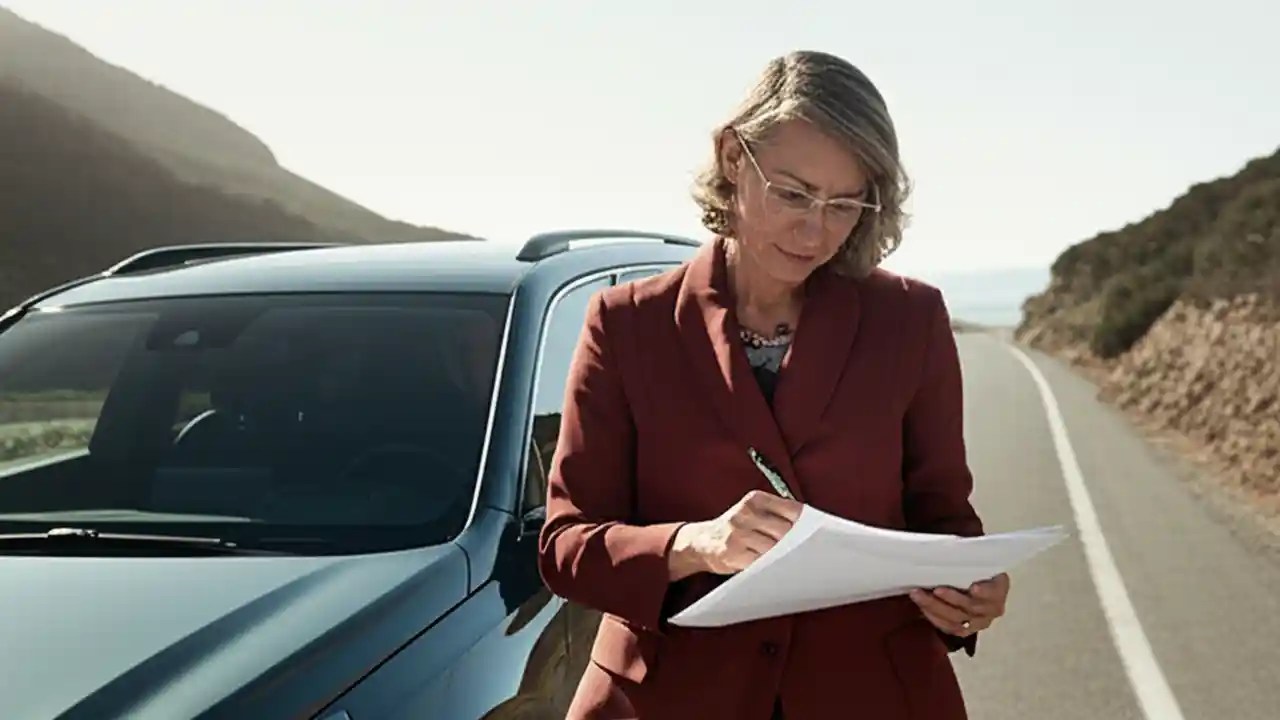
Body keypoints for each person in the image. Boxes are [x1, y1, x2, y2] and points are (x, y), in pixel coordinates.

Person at [537, 50, 1010, 720]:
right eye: (793, 193)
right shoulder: (626, 325)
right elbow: (566, 546)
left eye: (844, 204)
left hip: (873, 699)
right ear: (734, 158)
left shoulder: (911, 320)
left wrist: (970, 596)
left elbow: (947, 525)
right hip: (669, 701)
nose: (815, 229)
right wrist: (690, 545)